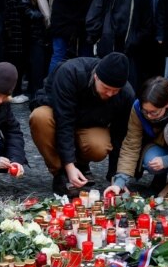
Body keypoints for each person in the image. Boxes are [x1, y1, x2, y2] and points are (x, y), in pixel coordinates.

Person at [29, 52, 135, 195]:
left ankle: (81, 165)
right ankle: (60, 173)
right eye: (106, 88)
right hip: (59, 116)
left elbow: (119, 135)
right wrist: (68, 166)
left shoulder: (126, 94)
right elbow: (64, 122)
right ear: (96, 76)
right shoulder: (70, 72)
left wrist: (116, 178)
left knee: (99, 146)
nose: (110, 94)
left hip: (90, 124)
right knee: (39, 117)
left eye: (115, 91)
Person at [107, 76, 168, 197]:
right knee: (151, 160)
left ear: (167, 104)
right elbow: (131, 144)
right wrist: (120, 181)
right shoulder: (138, 108)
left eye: (154, 112)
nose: (148, 116)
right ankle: (161, 177)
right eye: (146, 111)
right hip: (157, 143)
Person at [87, 0, 155, 87]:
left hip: (131, 40)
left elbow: (146, 14)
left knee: (130, 80)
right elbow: (98, 6)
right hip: (109, 36)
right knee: (108, 78)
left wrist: (139, 37)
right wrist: (96, 32)